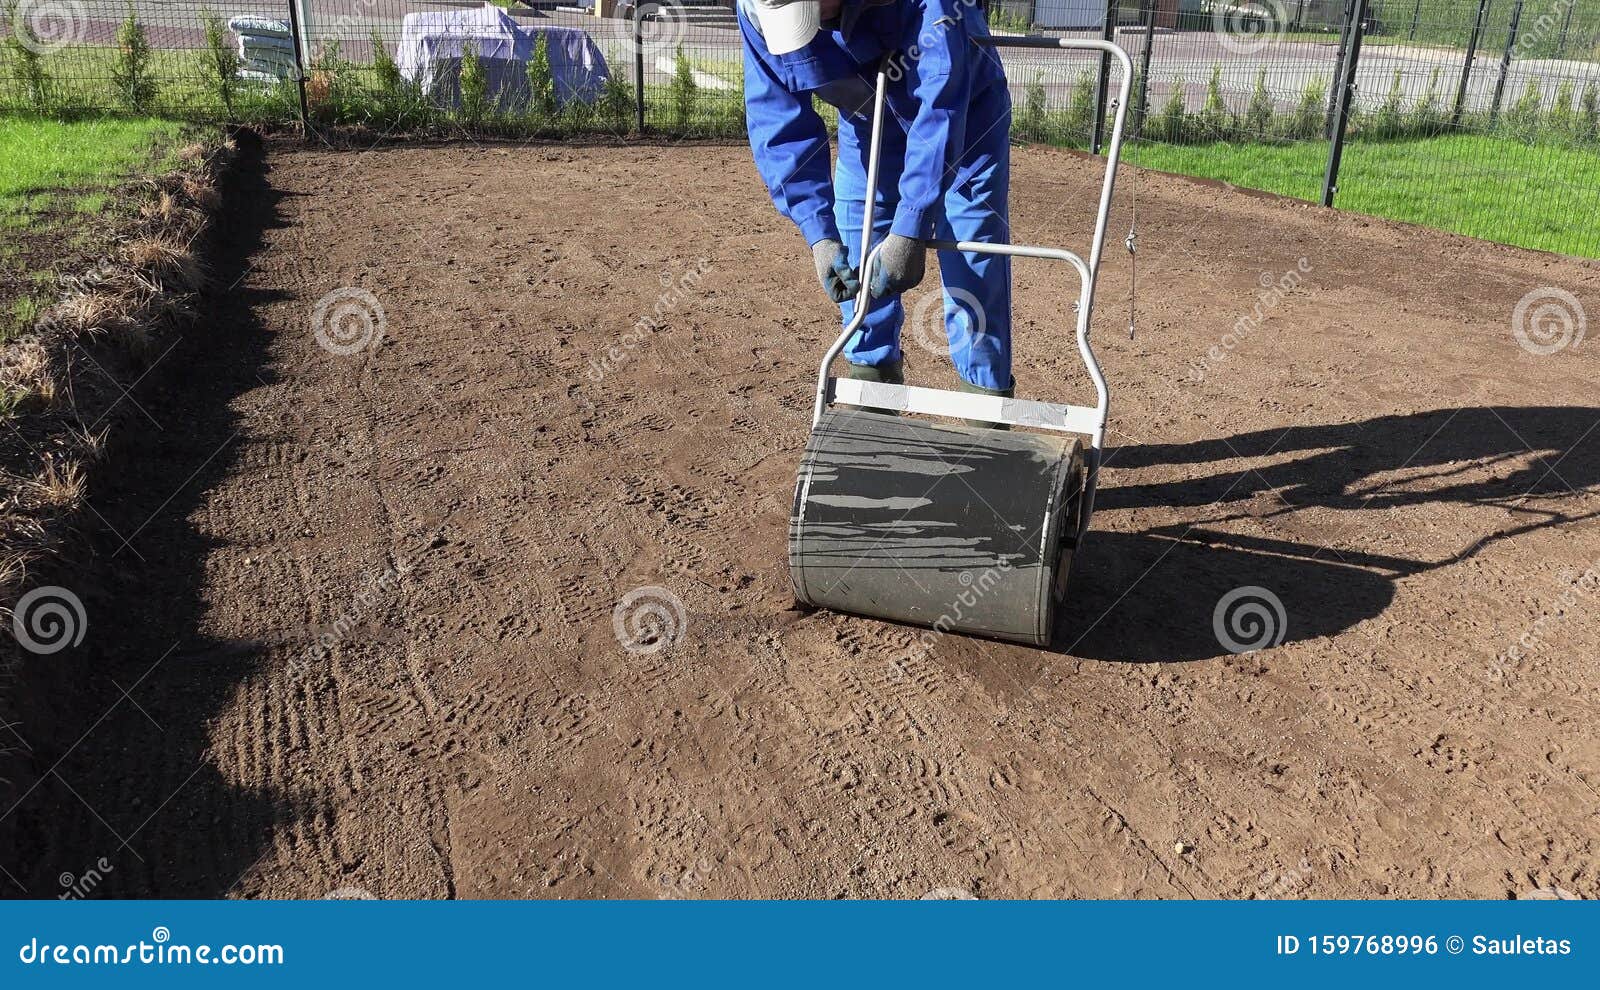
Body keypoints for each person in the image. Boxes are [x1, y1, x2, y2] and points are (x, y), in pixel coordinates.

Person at [737, 0, 1014, 398]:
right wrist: (819, 234)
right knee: (857, 259)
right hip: (867, 121)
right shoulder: (755, 11)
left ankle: (986, 415)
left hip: (965, 117)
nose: (814, 25)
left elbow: (941, 102)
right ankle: (871, 397)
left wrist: (911, 227)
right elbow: (778, 124)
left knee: (973, 263)